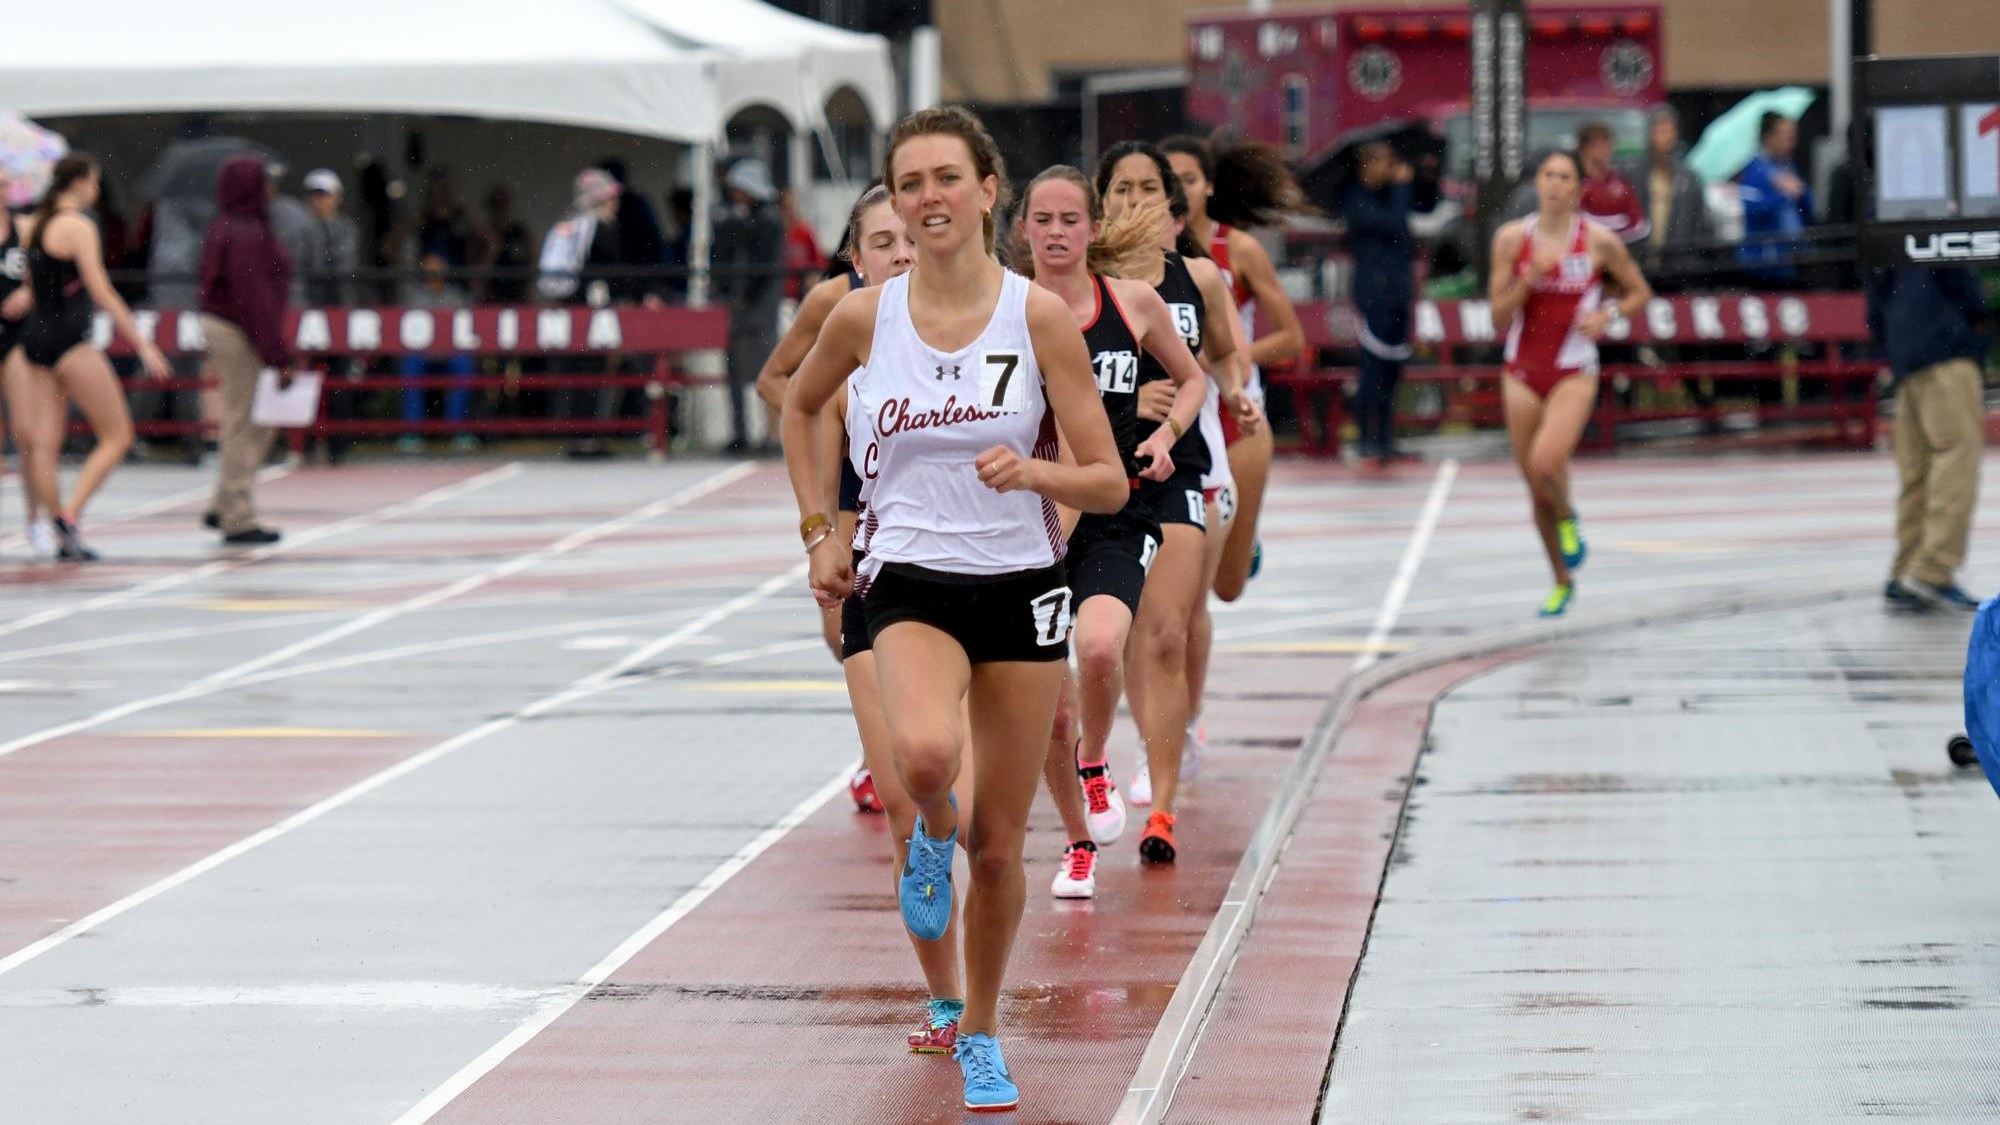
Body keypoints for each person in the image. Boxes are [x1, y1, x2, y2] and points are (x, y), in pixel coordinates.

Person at [780, 105, 1126, 1113]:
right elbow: (800, 407)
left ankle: (978, 1031)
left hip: (1020, 588)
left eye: (944, 178)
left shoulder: (1037, 318)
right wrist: (820, 531)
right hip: (909, 583)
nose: (926, 199)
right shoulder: (863, 317)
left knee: (999, 843)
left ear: (987, 191)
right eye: (908, 183)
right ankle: (925, 829)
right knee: (926, 760)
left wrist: (1034, 474)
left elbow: (1106, 482)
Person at [1018, 165, 1207, 897]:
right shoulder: (1006, 313)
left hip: (1115, 513)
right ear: (1024, 229)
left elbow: (1192, 379)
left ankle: (1095, 759)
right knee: (1048, 703)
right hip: (1030, 517)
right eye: (1045, 219)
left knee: (1100, 648)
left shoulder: (1130, 304)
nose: (1058, 232)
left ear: (1094, 229)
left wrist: (1168, 436)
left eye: (1072, 219)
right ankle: (1076, 842)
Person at [1094, 140, 1260, 860]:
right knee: (1109, 638)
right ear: (1102, 204)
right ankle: (1099, 756)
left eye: (1147, 188)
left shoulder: (1197, 276)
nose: (1134, 200)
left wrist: (1231, 393)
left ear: (1172, 203)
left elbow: (1223, 354)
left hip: (1184, 468)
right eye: (1121, 188)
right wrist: (1130, 396)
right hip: (1095, 473)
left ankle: (1159, 795)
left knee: (1170, 630)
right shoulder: (1078, 282)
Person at [1487, 150, 1652, 617]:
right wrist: (1529, 279)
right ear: (1537, 184)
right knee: (1535, 488)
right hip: (1521, 370)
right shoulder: (1511, 240)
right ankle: (1560, 580)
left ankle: (1569, 515)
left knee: (1546, 461)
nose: (1556, 185)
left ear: (1578, 189)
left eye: (1565, 177)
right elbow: (1498, 317)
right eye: (1548, 176)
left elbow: (1640, 291)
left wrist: (1610, 314)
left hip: (1573, 369)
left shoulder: (1599, 242)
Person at [1162, 135, 1305, 611]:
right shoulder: (1140, 254)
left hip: (1236, 414)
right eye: (1170, 180)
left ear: (1208, 187)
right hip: (1176, 418)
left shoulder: (1237, 248)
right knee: (1183, 592)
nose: (1179, 189)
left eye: (1189, 178)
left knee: (1227, 586)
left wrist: (1239, 358)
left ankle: (1245, 545)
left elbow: (1290, 336)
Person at [3, 155, 169, 561]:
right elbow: (101, 289)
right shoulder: (78, 226)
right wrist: (142, 342)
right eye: (93, 183)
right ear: (78, 183)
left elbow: (31, 281)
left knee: (44, 442)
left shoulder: (36, 224)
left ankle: (56, 519)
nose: (96, 192)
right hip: (68, 340)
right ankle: (69, 516)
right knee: (117, 434)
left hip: (35, 339)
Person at [1868, 267, 1988, 612]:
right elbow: (1967, 287)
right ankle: (1932, 570)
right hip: (1947, 351)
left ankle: (1906, 567)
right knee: (1955, 459)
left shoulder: (1888, 228)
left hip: (1905, 356)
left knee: (1916, 468)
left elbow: (1874, 307)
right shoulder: (1938, 220)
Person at [198, 154, 295, 546]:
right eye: (265, 181)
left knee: (251, 419)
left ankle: (224, 501)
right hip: (239, 329)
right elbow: (254, 297)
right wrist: (277, 353)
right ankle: (238, 515)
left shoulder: (232, 225)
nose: (271, 188)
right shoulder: (246, 231)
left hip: (231, 325)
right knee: (246, 421)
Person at [1340, 140, 1418, 467]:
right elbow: (1395, 225)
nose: (1391, 169)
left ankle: (1386, 437)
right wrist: (1401, 189)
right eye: (1384, 162)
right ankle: (1365, 437)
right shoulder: (1355, 199)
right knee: (1372, 367)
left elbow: (1421, 207)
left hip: (1399, 292)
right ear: (1367, 165)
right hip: (1374, 295)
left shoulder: (1390, 194)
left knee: (1393, 370)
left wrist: (1411, 183)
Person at [713, 158, 786, 453]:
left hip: (759, 305)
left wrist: (745, 293)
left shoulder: (767, 220)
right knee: (737, 370)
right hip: (744, 304)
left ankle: (771, 435)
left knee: (765, 370)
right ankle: (742, 432)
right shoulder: (740, 218)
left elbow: (762, 265)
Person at [1623, 107, 1713, 281]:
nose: (1664, 137)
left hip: (1679, 265)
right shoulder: (1634, 174)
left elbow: (1700, 221)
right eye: (1659, 130)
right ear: (1650, 134)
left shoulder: (1689, 177)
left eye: (1668, 130)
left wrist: (1692, 257)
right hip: (1641, 263)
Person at [1738, 112, 1812, 287]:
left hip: (1792, 259)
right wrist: (1783, 196)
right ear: (1768, 137)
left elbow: (1809, 209)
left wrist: (1801, 191)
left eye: (1792, 134)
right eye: (1784, 134)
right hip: (1763, 261)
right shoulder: (1754, 170)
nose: (1790, 140)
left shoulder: (1790, 167)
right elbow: (1751, 209)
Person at [1576, 121, 1649, 245]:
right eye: (1599, 145)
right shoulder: (1575, 182)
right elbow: (1574, 224)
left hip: (1620, 249)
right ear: (1585, 149)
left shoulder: (1620, 182)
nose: (1606, 149)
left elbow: (1637, 221)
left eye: (1608, 143)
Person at [780, 188, 827, 301]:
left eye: (793, 205)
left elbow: (819, 260)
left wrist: (813, 276)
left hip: (801, 290)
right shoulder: (775, 232)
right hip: (779, 290)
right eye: (786, 206)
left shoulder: (804, 231)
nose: (790, 210)